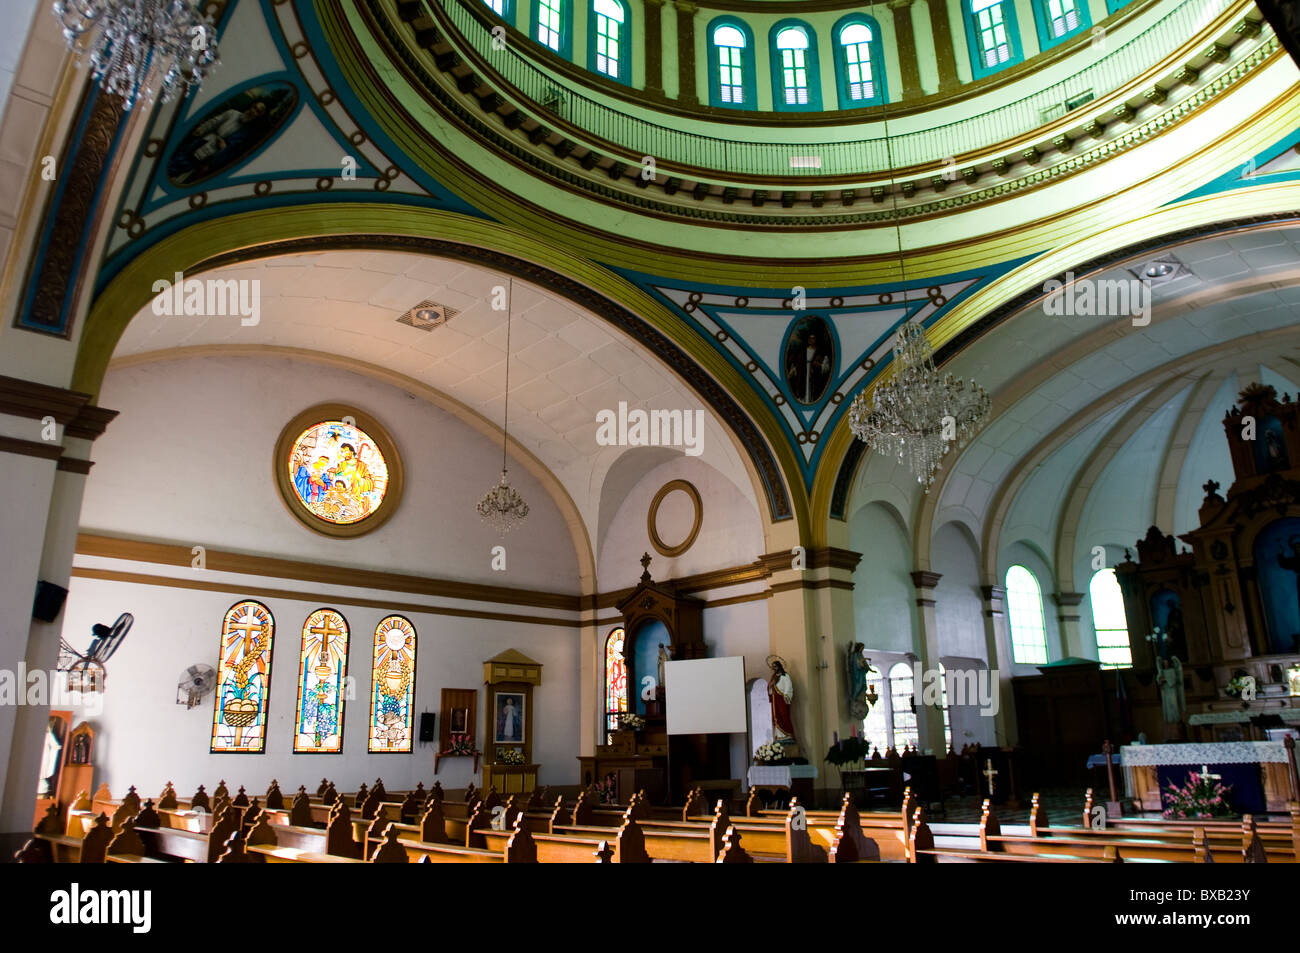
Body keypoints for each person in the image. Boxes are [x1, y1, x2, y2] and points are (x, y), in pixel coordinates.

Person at [767, 659, 796, 744]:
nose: (774, 669)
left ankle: (787, 735)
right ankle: (779, 736)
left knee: (784, 716)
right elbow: (770, 688)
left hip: (782, 700)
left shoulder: (785, 676)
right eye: (773, 667)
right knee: (776, 718)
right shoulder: (774, 677)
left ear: (779, 666)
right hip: (775, 701)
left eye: (775, 666)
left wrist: (786, 695)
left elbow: (788, 687)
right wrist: (770, 687)